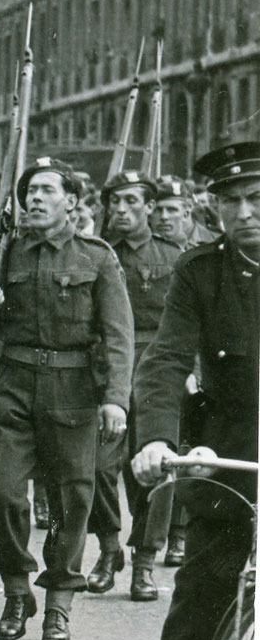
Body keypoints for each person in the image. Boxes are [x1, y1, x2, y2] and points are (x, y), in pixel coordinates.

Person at [129, 139, 259, 640]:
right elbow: (166, 356)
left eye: (257, 199)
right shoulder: (200, 274)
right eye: (232, 201)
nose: (245, 212)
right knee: (201, 608)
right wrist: (157, 438)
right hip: (231, 462)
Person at [0, 157, 134, 640]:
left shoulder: (97, 256)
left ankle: (59, 603)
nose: (35, 199)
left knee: (72, 500)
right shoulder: (6, 254)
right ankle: (17, 587)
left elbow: (118, 334)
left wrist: (115, 399)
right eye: (29, 192)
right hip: (14, 384)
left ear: (71, 202)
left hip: (73, 392)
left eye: (46, 190)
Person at [86, 169, 186, 600]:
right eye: (115, 202)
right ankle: (109, 548)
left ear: (149, 206)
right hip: (106, 370)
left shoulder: (175, 256)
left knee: (156, 468)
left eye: (132, 201)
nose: (122, 210)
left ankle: (144, 560)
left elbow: (189, 325)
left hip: (158, 373)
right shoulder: (97, 254)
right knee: (94, 466)